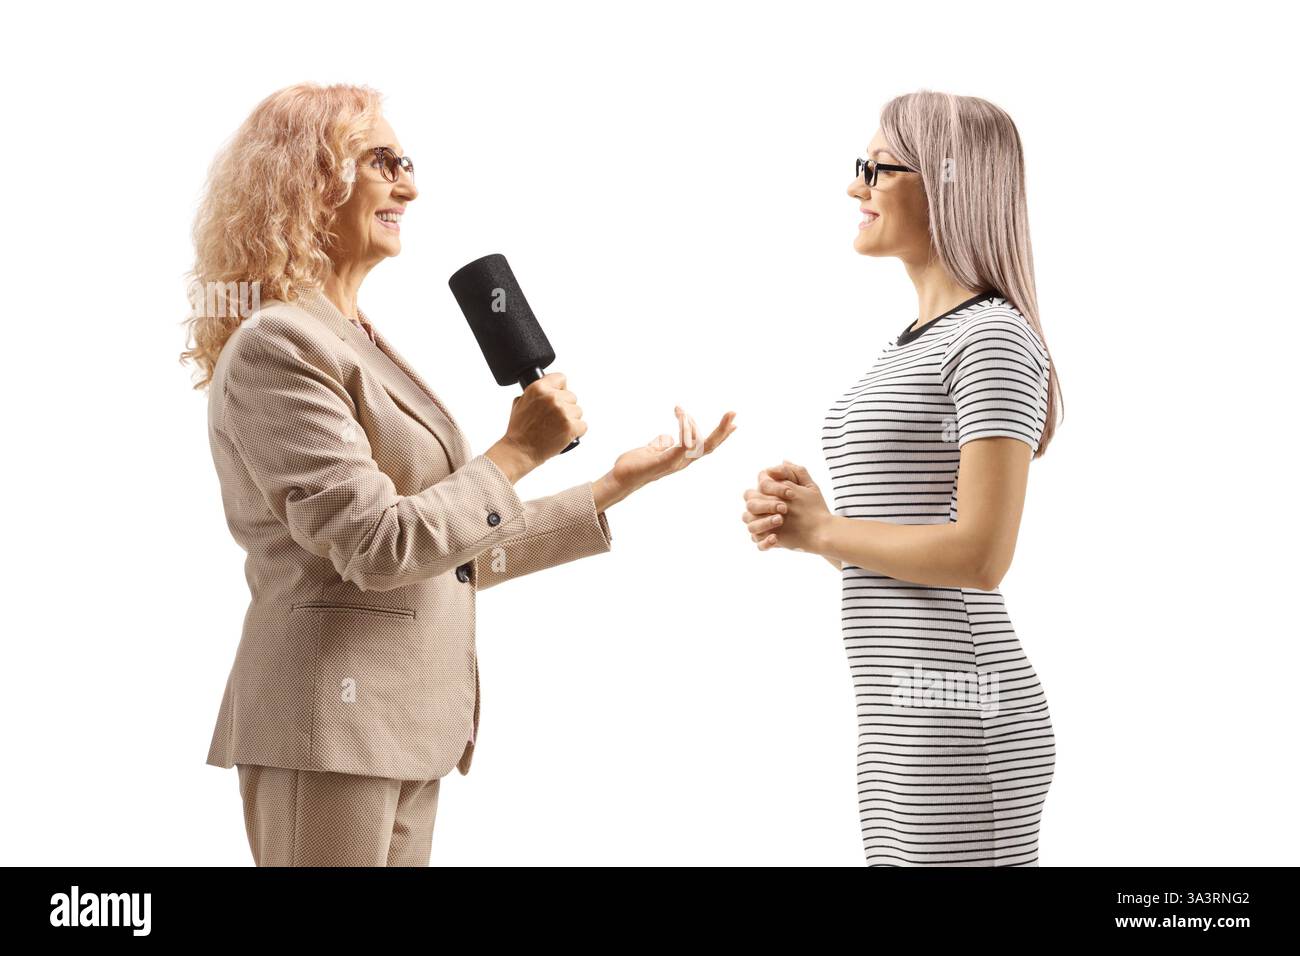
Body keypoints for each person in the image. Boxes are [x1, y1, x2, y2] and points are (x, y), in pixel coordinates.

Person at [180, 82, 735, 866]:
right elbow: (378, 547)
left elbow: (450, 557)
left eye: (407, 161)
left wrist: (615, 483)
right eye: (382, 160)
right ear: (306, 177)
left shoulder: (354, 336)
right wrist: (517, 451)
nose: (409, 183)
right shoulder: (280, 347)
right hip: (328, 731)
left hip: (405, 731)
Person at [741, 91, 1062, 866]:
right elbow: (908, 541)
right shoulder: (911, 345)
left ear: (949, 183)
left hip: (959, 710)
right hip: (899, 713)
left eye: (878, 168)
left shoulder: (992, 337)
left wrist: (825, 530)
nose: (857, 187)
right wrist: (812, 528)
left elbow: (981, 556)